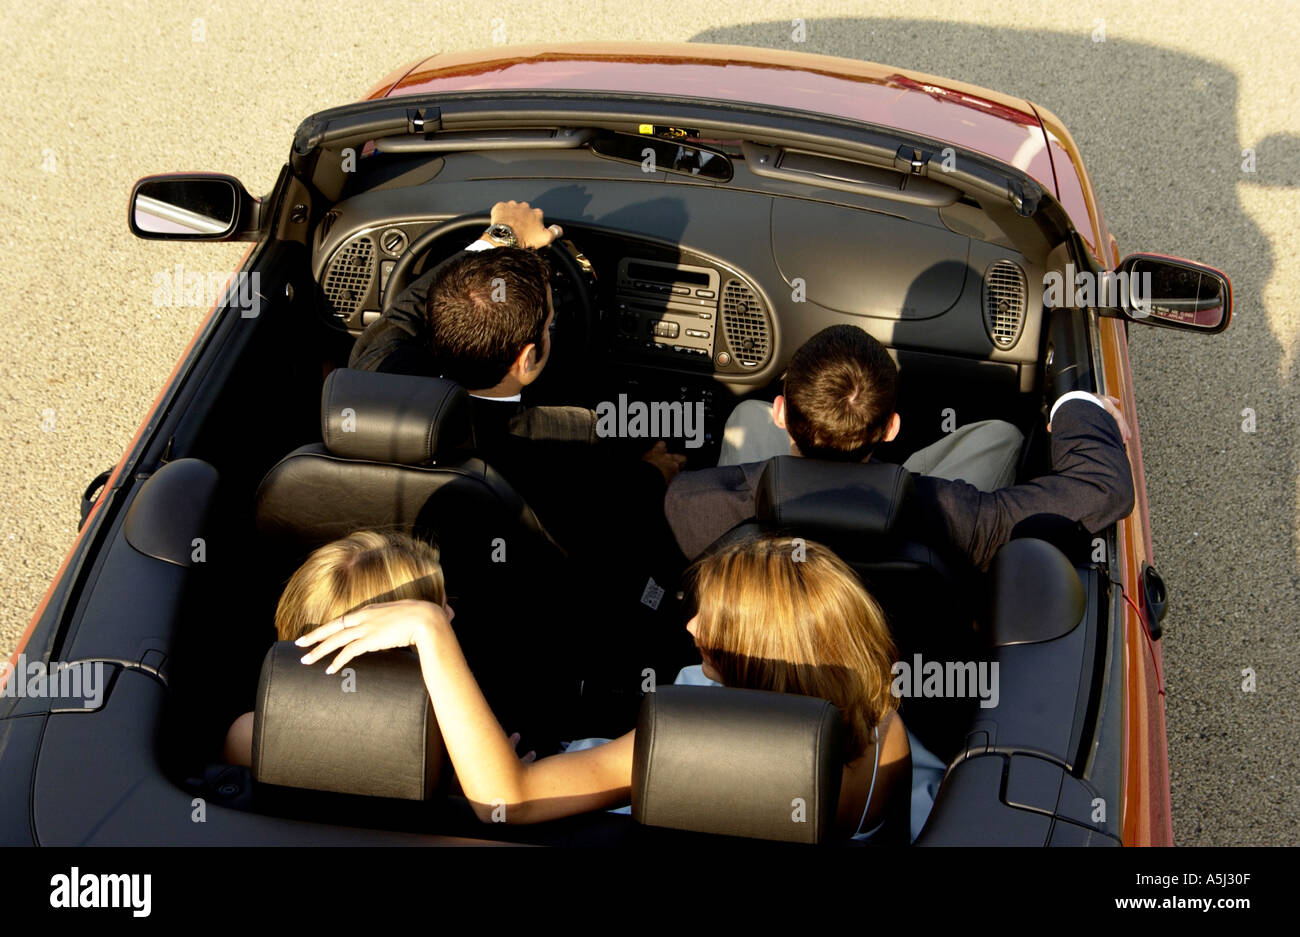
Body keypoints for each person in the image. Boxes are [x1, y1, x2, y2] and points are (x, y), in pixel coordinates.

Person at [296, 535, 912, 842]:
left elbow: (504, 798)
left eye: (715, 624)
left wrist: (431, 630)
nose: (692, 626)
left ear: (769, 659)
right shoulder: (883, 724)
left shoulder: (693, 745)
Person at [665, 324, 1134, 570]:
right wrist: (1076, 402)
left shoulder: (692, 505)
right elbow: (1101, 487)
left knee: (743, 418)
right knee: (1001, 436)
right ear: (890, 428)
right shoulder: (964, 519)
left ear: (782, 412)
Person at [223, 530, 537, 767]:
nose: (451, 615)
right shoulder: (457, 751)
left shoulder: (251, 736)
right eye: (439, 612)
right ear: (392, 648)